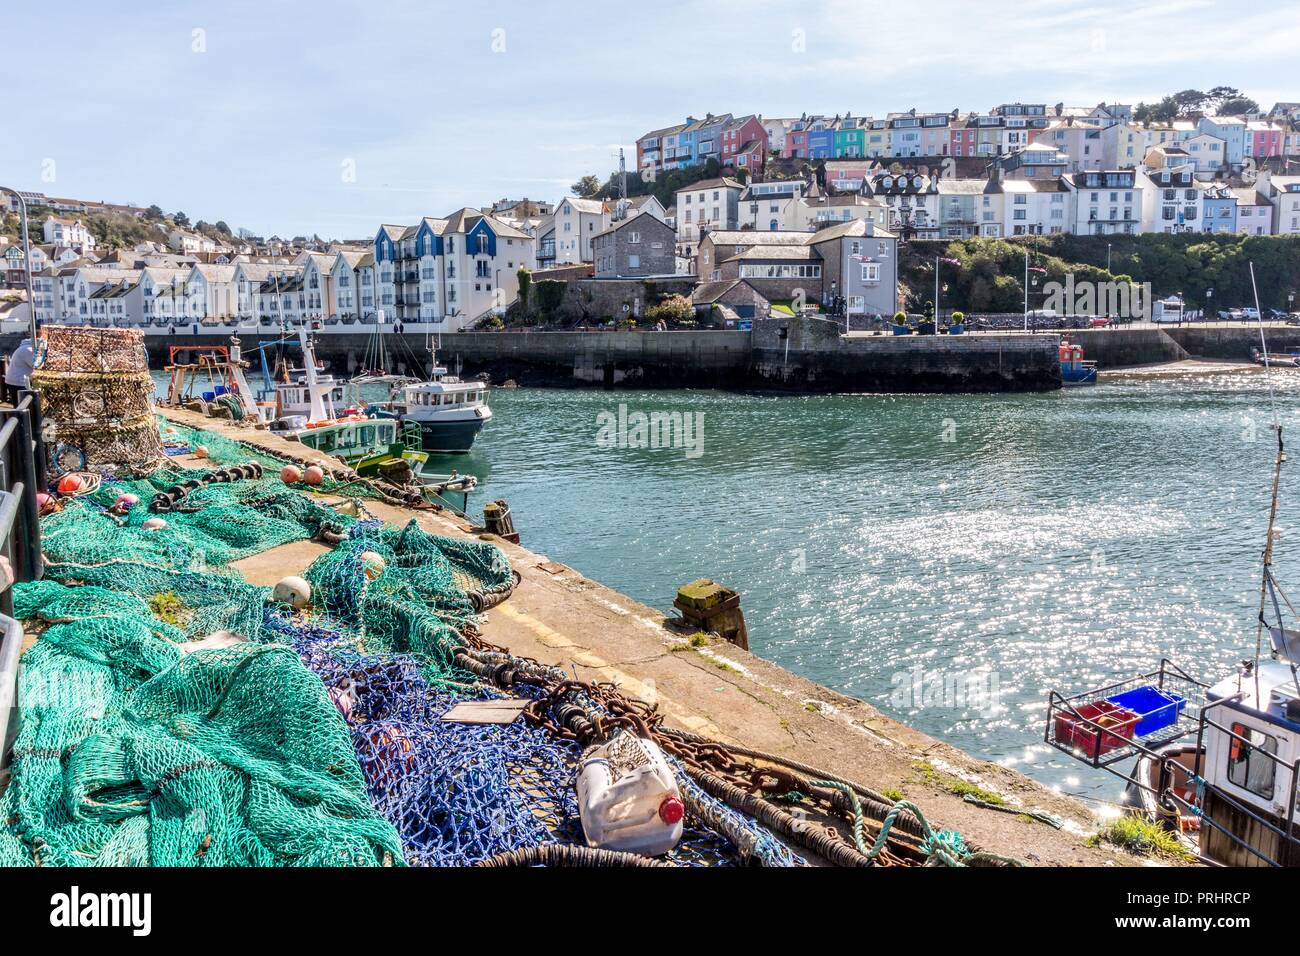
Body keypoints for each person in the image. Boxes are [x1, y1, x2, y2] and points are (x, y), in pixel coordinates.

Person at [3, 336, 35, 406]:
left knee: (19, 405)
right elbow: (36, 365)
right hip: (18, 382)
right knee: (23, 406)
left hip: (14, 380)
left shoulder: (24, 348)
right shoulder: (28, 349)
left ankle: (17, 415)